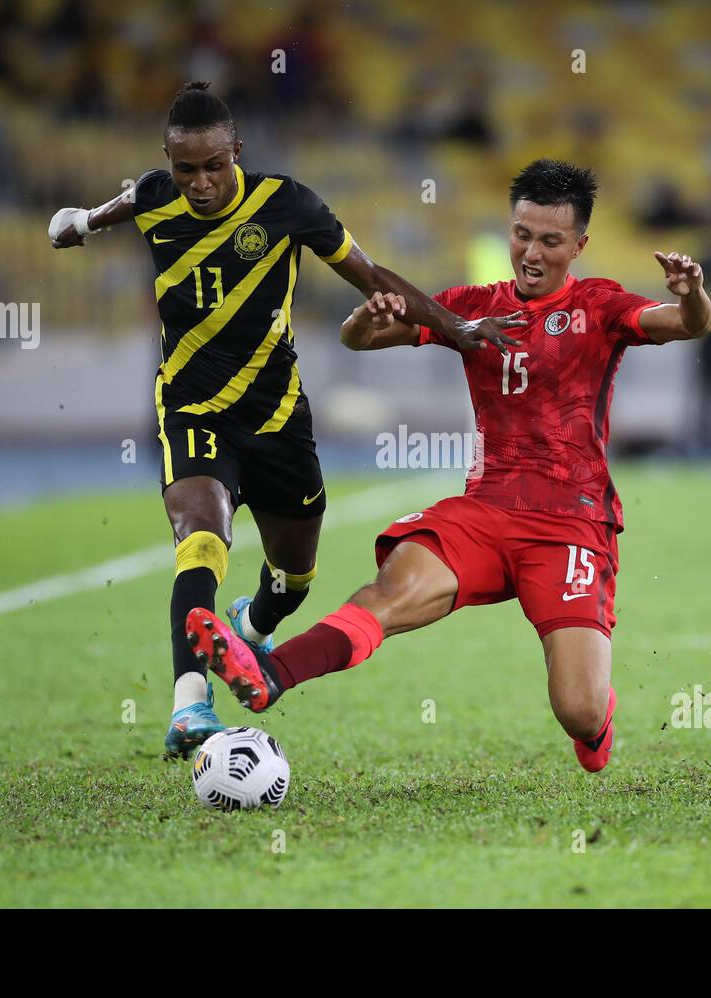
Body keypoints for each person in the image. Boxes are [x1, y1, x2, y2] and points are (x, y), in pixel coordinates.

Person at [187, 159, 711, 773]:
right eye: (522, 234)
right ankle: (272, 672)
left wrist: (694, 294)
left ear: (579, 245)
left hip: (571, 524)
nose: (532, 252)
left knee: (578, 709)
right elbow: (364, 340)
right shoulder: (472, 307)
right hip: (485, 512)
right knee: (393, 590)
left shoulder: (599, 305)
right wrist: (362, 325)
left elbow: (686, 324)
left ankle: (595, 728)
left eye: (550, 240)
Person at [48, 83, 523, 758]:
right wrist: (81, 224)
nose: (201, 182)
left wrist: (456, 325)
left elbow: (371, 276)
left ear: (236, 151)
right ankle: (190, 707)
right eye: (187, 169)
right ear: (169, 162)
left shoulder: (287, 204)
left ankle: (255, 619)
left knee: (295, 578)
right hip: (190, 407)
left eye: (214, 165)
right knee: (201, 537)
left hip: (277, 415)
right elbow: (120, 205)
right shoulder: (156, 195)